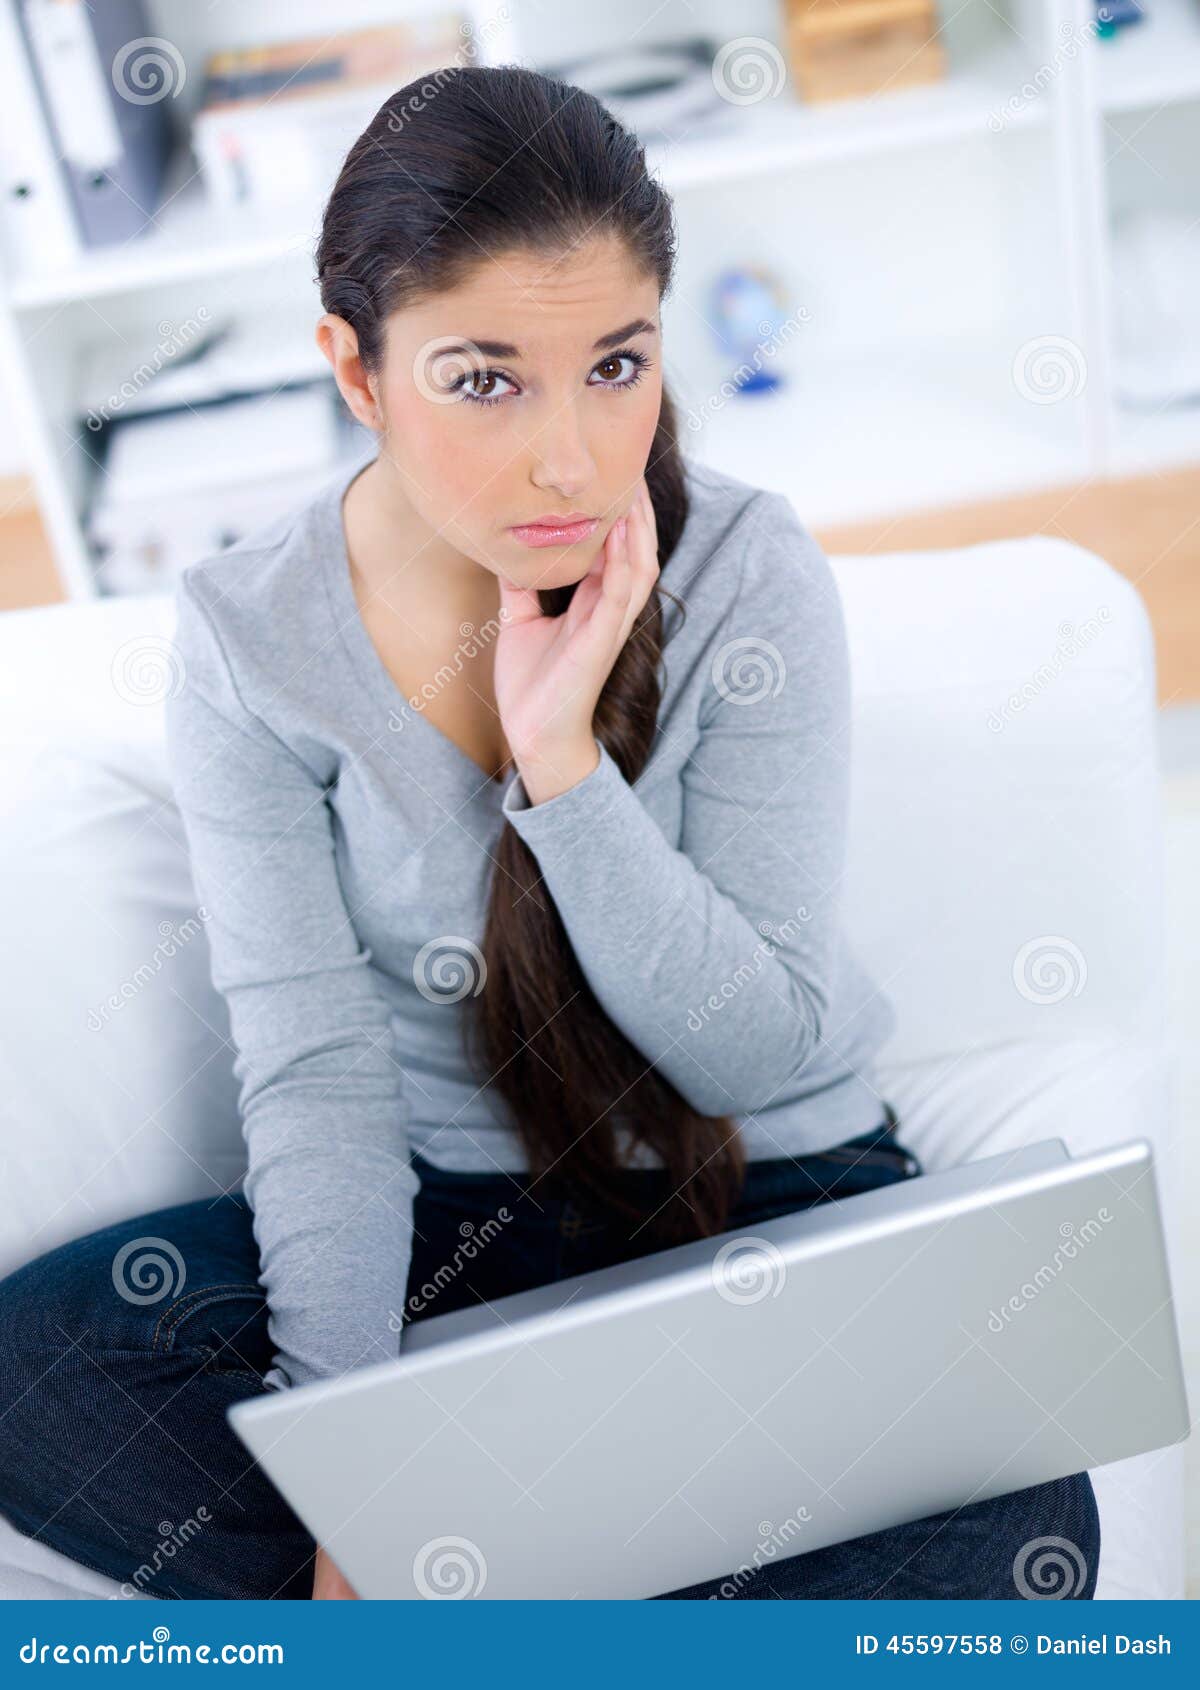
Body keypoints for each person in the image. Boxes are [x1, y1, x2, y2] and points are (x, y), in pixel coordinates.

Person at [0, 64, 1099, 1602]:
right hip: (455, 1226)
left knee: (1018, 1518)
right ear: (356, 369)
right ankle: (595, 1567)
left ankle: (506, 1584)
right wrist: (360, 1472)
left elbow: (749, 1056)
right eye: (484, 379)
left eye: (616, 364)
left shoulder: (749, 572)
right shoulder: (252, 638)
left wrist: (564, 768)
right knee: (46, 1366)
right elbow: (317, 1082)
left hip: (763, 1190)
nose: (572, 457)